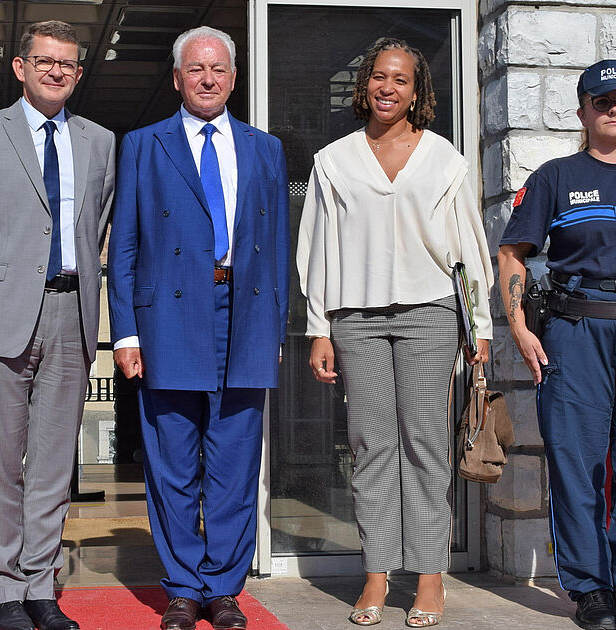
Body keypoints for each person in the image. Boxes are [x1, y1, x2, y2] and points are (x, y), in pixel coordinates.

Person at [296, 38, 492, 628]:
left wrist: (478, 324)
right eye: (379, 76)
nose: (388, 87)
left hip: (432, 314)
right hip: (355, 317)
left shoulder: (444, 160)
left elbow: (469, 255)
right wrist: (319, 328)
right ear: (364, 86)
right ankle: (377, 572)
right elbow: (316, 252)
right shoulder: (333, 161)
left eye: (401, 79)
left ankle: (430, 577)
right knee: (370, 447)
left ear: (418, 91)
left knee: (426, 448)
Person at [0, 20, 115, 630]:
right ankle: (4, 591)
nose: (55, 71)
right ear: (20, 66)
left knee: (54, 463)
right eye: (44, 60)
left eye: (67, 63)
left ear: (79, 73)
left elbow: (102, 231)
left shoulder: (100, 141)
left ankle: (41, 585)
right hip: (3, 316)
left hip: (73, 312)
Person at [107, 26, 289, 630]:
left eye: (217, 69)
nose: (207, 79)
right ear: (178, 77)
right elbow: (125, 247)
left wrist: (276, 331)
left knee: (235, 464)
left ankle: (224, 589)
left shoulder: (266, 149)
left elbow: (277, 249)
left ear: (233, 78)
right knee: (173, 464)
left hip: (244, 316)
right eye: (194, 69)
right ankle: (183, 588)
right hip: (168, 321)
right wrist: (125, 333)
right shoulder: (143, 144)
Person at [498, 59, 616, 630]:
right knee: (576, 464)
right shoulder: (556, 176)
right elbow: (512, 252)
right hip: (577, 333)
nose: (612, 108)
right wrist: (519, 326)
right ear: (582, 112)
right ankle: (591, 588)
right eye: (602, 101)